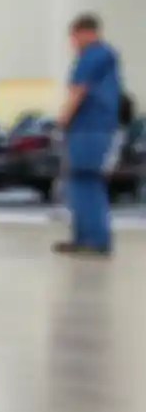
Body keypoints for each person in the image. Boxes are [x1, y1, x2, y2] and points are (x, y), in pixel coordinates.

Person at [53, 13, 122, 256]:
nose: (73, 42)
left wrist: (62, 120)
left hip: (89, 129)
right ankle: (84, 238)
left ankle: (94, 239)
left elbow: (78, 91)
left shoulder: (92, 56)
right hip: (95, 128)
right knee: (81, 183)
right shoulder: (106, 56)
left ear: (86, 32)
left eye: (74, 36)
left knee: (86, 183)